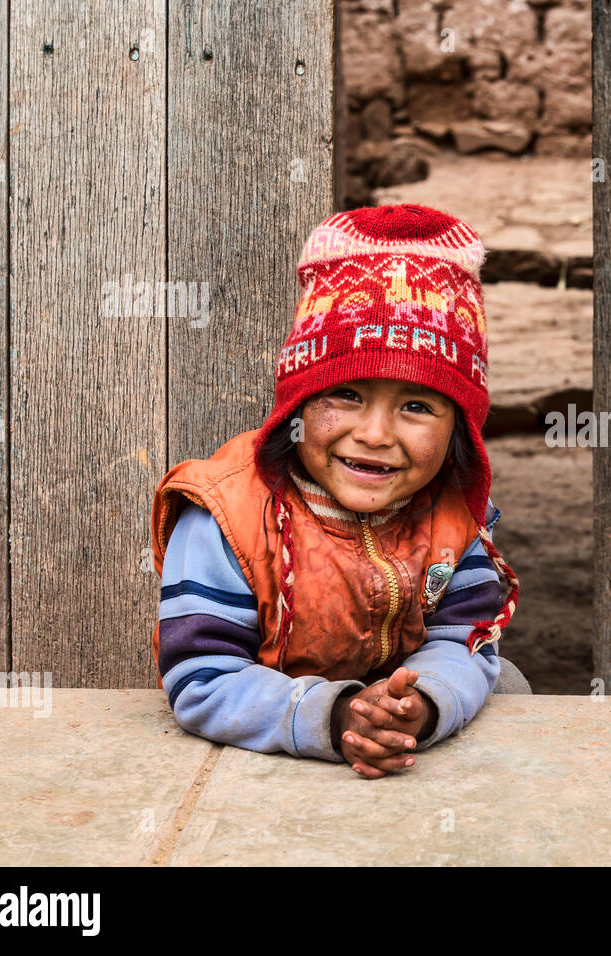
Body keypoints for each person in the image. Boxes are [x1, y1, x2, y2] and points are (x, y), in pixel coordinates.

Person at [149, 203, 528, 779]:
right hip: (277, 726)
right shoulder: (227, 513)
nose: (375, 434)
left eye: (417, 406)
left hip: (395, 720)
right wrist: (341, 717)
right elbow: (202, 680)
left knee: (511, 685)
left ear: (460, 431)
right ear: (296, 405)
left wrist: (417, 710)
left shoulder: (452, 517)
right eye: (346, 395)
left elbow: (463, 641)